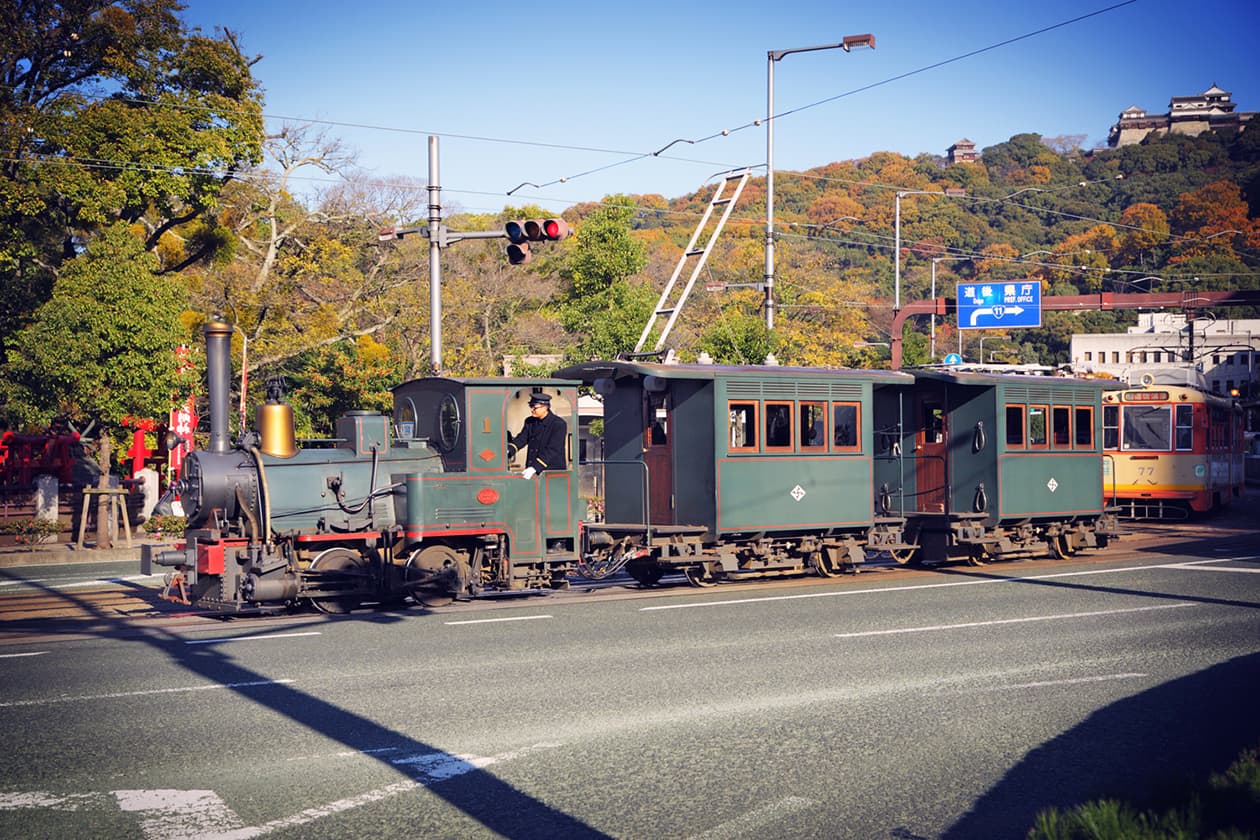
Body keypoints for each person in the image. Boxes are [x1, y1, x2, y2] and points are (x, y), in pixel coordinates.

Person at [509, 393, 567, 479]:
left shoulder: (558, 424)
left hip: (551, 472)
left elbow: (553, 450)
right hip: (532, 469)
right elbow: (522, 439)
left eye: (534, 407)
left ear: (545, 408)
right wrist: (509, 450)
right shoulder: (530, 421)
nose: (532, 409)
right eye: (530, 406)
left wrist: (535, 467)